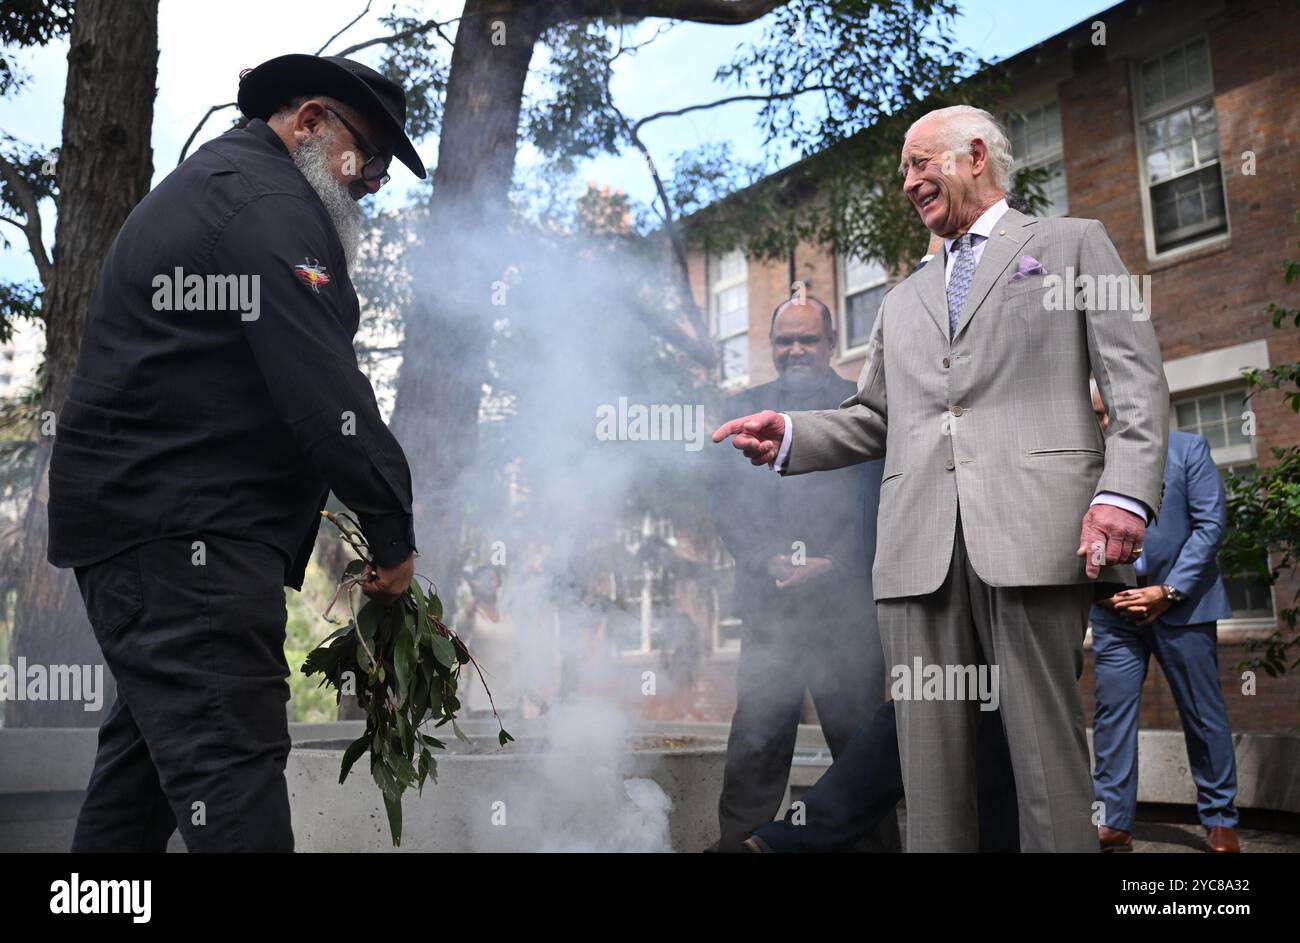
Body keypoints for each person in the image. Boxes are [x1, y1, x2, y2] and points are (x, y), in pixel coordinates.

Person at [714, 104, 1169, 852]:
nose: (907, 182)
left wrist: (1122, 495)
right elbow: (873, 418)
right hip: (918, 558)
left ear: (975, 155)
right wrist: (792, 433)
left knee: (1042, 759)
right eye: (903, 170)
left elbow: (1137, 381)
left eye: (919, 163)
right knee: (930, 773)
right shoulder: (902, 299)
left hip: (1031, 538)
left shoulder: (1071, 245)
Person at [46, 54, 427, 852]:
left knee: (138, 786)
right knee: (236, 781)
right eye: (370, 156)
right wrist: (392, 531)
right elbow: (325, 393)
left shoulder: (232, 188)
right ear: (311, 120)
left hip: (158, 532)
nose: (374, 181)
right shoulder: (265, 202)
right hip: (187, 541)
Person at [708, 296, 897, 853]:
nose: (795, 350)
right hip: (770, 611)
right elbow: (723, 502)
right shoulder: (741, 408)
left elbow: (882, 493)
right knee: (757, 743)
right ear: (771, 347)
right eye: (785, 340)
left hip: (847, 614)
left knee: (862, 749)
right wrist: (766, 555)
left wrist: (835, 562)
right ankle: (741, 847)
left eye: (807, 339)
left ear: (831, 343)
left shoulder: (861, 406)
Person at [1089, 386, 1240, 853]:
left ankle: (1220, 820)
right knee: (1112, 714)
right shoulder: (1089, 465)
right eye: (1096, 414)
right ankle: (1113, 822)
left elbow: (1210, 525)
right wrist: (1104, 587)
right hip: (1116, 611)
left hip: (1183, 607)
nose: (1104, 422)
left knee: (1201, 712)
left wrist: (1167, 591)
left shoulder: (1188, 450)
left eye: (1107, 412)